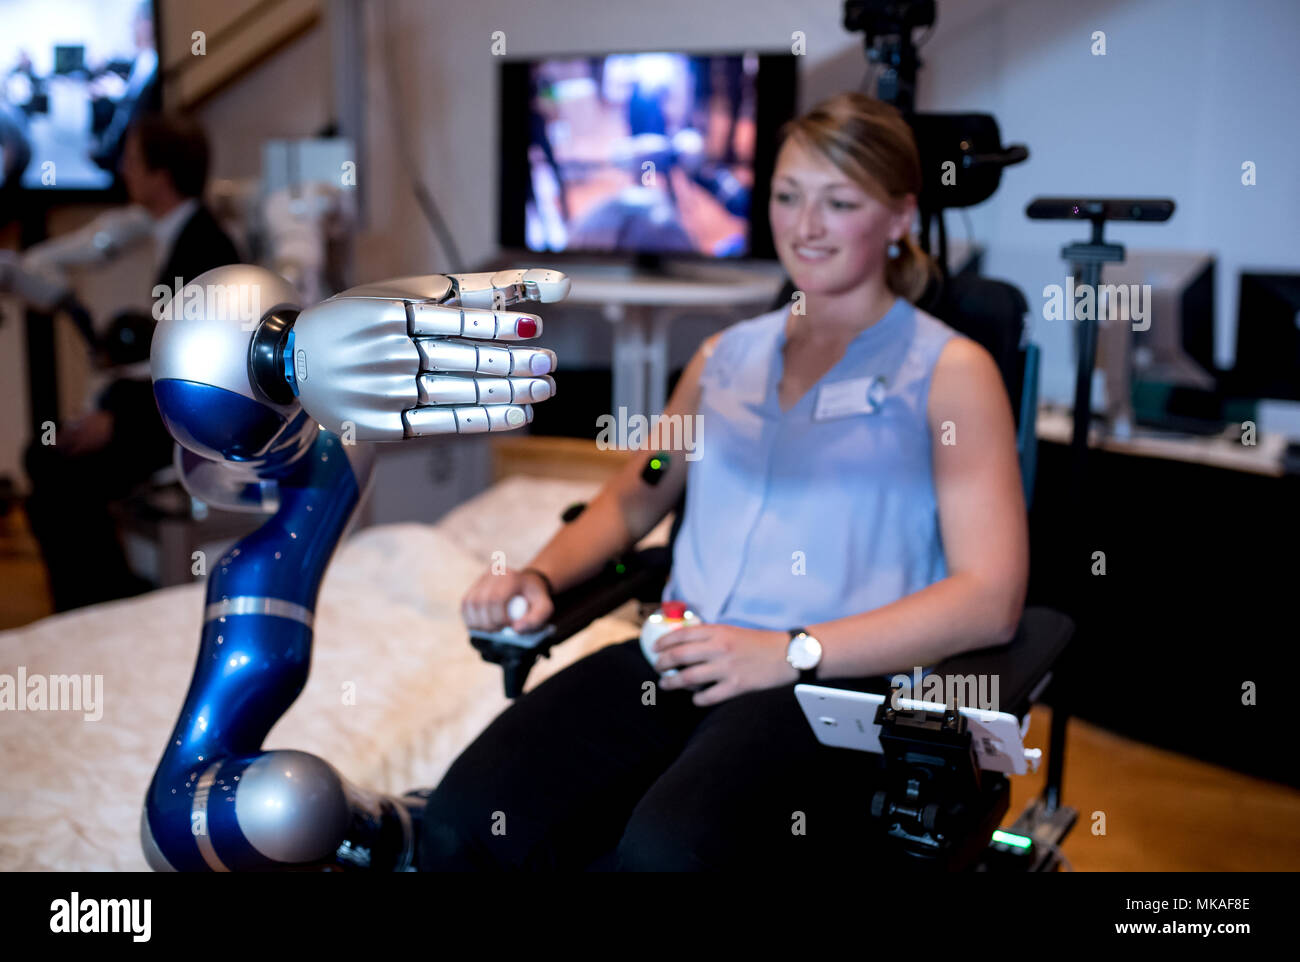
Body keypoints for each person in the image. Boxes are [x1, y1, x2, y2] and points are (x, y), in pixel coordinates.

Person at [423, 92, 1029, 871]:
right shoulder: (722, 360)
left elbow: (992, 595)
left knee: (666, 854)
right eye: (787, 196)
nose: (804, 226)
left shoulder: (950, 373)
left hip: (831, 687)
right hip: (682, 652)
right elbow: (637, 491)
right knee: (461, 824)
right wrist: (539, 574)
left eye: (838, 202)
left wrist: (793, 652)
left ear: (900, 217)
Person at [23, 113, 238, 612]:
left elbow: (202, 371)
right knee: (46, 461)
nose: (124, 169)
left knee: (55, 473)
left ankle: (100, 605)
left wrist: (119, 420)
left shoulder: (201, 249)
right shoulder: (184, 239)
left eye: (133, 161)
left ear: (160, 176)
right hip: (165, 408)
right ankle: (100, 596)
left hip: (185, 423)